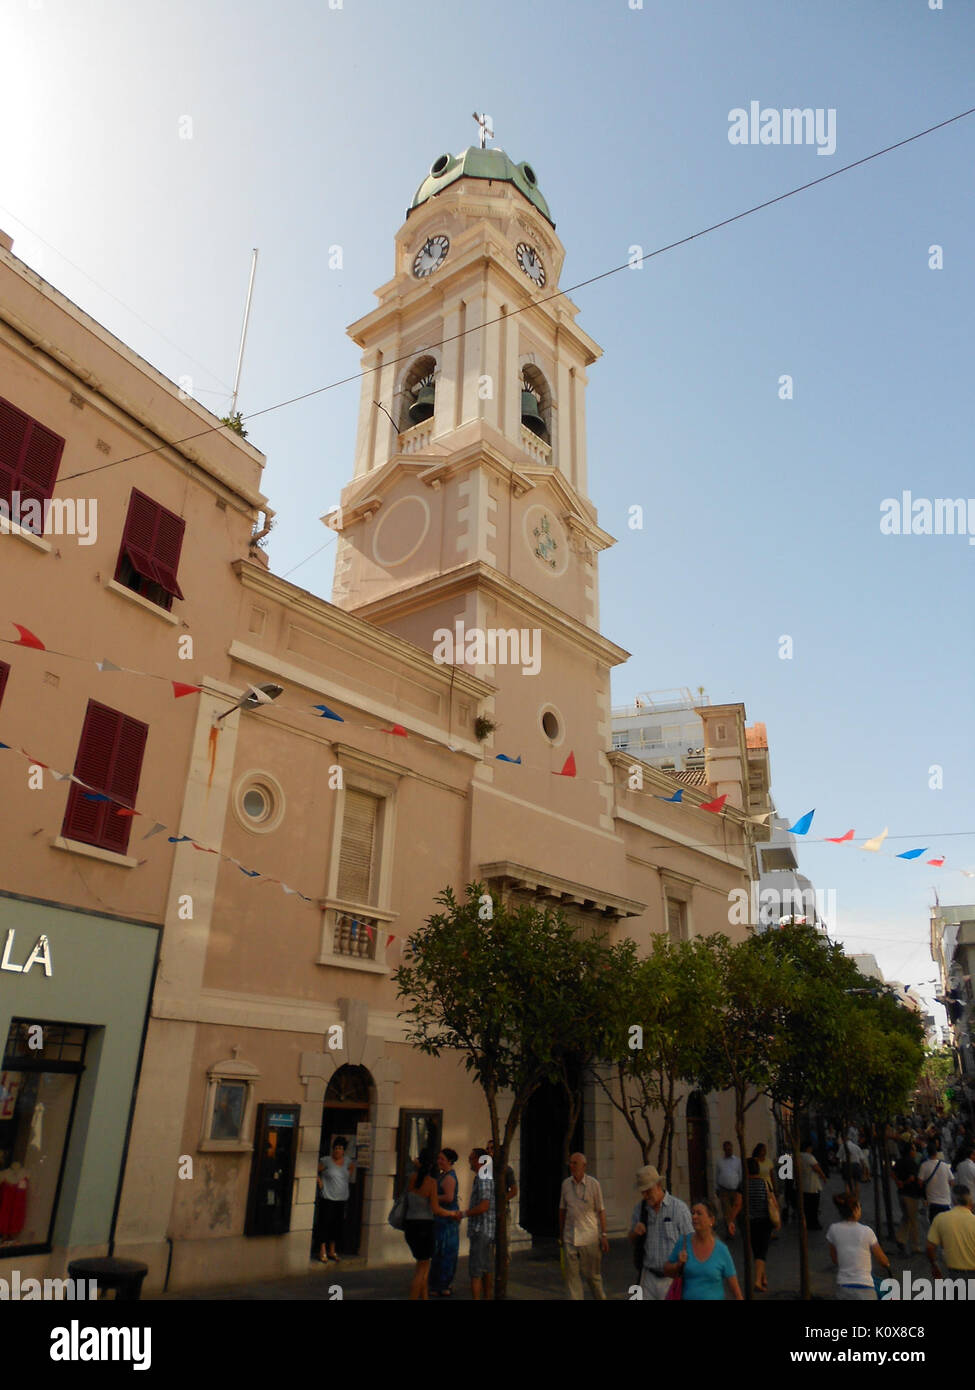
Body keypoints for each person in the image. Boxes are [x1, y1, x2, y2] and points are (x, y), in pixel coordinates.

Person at [628, 1164, 693, 1300]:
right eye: (642, 1192)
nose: (645, 1195)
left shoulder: (679, 1209)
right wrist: (635, 1233)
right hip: (648, 1276)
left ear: (658, 1185)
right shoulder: (640, 1209)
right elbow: (631, 1240)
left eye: (648, 1190)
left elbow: (691, 1241)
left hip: (671, 1279)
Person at [403, 1147, 460, 1300]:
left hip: (410, 1225)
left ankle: (425, 1296)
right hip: (425, 1226)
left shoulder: (412, 1178)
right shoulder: (432, 1182)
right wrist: (452, 1213)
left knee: (422, 1264)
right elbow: (436, 1209)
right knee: (422, 1269)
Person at [662, 1199, 743, 1300]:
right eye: (693, 1213)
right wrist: (678, 1264)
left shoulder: (721, 1250)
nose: (694, 1217)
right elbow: (666, 1270)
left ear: (711, 1220)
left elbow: (735, 1288)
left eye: (699, 1213)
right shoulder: (683, 1243)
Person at [558, 1152, 608, 1300]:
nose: (572, 1166)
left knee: (593, 1277)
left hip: (589, 1238)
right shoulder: (566, 1184)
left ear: (584, 1166)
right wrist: (560, 1233)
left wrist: (604, 1235)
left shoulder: (594, 1184)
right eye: (571, 1163)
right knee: (572, 1280)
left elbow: (601, 1211)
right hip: (570, 1237)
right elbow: (562, 1209)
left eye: (575, 1163)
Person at [825, 1193, 891, 1300]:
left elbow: (834, 1258)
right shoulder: (867, 1231)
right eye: (859, 1206)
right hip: (865, 1288)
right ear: (855, 1210)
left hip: (844, 1287)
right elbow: (881, 1259)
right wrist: (887, 1263)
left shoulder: (833, 1229)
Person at [458, 1148, 495, 1300]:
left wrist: (465, 1213)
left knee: (476, 1270)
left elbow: (484, 1205)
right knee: (485, 1267)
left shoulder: (483, 1178)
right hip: (484, 1230)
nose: (469, 1162)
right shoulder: (481, 1178)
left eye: (472, 1158)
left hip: (481, 1229)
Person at [317, 1137, 355, 1263]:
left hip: (341, 1198)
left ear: (344, 1151)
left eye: (340, 1148)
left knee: (336, 1225)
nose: (338, 1151)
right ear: (333, 1149)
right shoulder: (326, 1161)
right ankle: (322, 1250)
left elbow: (350, 1170)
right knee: (325, 1224)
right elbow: (315, 1171)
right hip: (328, 1198)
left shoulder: (347, 1162)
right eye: (336, 1148)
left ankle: (332, 1250)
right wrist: (320, 1181)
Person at [740, 1156, 774, 1292]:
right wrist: (777, 1221)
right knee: (761, 1251)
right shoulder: (764, 1183)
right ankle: (758, 1281)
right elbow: (773, 1202)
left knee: (757, 1251)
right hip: (765, 1221)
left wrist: (730, 1219)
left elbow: (738, 1204)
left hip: (749, 1222)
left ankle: (762, 1278)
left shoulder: (743, 1185)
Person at [926, 1186, 975, 1280]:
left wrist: (934, 1265)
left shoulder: (941, 1218)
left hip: (954, 1275)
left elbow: (930, 1247)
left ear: (953, 1200)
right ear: (970, 1202)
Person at [429, 1147, 460, 1297]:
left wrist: (432, 1197)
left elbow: (448, 1197)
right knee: (439, 1251)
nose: (439, 1161)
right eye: (438, 1158)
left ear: (449, 1161)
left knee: (446, 1252)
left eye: (442, 1159)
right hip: (441, 1219)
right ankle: (437, 1284)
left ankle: (443, 1284)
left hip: (447, 1219)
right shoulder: (443, 1175)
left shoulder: (449, 1178)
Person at [893, 1142, 923, 1255]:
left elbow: (893, 1173)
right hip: (911, 1194)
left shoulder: (899, 1161)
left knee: (906, 1217)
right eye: (914, 1149)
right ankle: (915, 1246)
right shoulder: (912, 1163)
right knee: (913, 1221)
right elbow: (911, 1178)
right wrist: (904, 1183)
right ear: (910, 1151)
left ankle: (900, 1238)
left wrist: (898, 1183)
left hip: (901, 1193)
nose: (915, 1152)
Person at [918, 1141, 954, 1221]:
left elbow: (920, 1182)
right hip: (946, 1202)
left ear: (927, 1153)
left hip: (932, 1202)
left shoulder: (924, 1166)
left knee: (934, 1225)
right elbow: (952, 1182)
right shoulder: (945, 1166)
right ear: (936, 1153)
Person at [715, 1140, 742, 1237]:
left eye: (730, 1148)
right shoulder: (720, 1162)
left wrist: (741, 1188)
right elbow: (717, 1175)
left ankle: (740, 1228)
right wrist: (717, 1188)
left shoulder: (737, 1161)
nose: (728, 1150)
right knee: (726, 1212)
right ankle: (729, 1231)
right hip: (724, 1190)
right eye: (726, 1149)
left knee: (737, 1210)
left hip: (735, 1189)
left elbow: (740, 1174)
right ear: (724, 1149)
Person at [798, 1140, 827, 1231]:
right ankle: (813, 1223)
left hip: (802, 1185)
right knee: (814, 1206)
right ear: (808, 1148)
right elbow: (816, 1168)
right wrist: (823, 1177)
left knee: (806, 1206)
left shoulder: (797, 1156)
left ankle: (807, 1222)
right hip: (812, 1185)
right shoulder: (809, 1157)